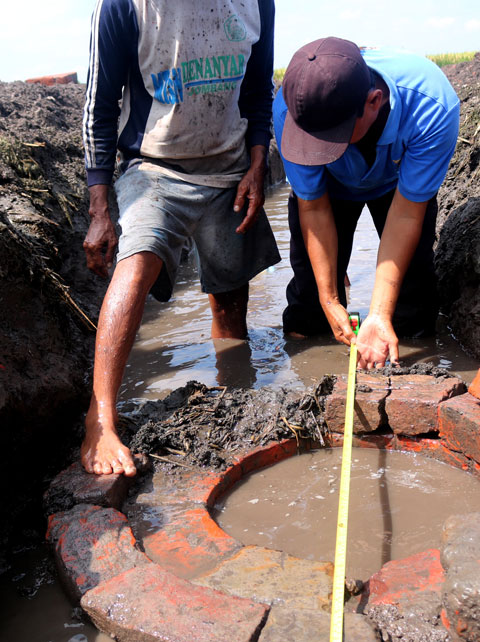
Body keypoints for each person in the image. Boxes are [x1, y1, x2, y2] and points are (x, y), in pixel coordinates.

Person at [80, 0, 279, 476]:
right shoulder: (124, 7)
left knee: (229, 302)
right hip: (154, 167)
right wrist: (99, 209)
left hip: (231, 166)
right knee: (137, 262)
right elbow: (100, 105)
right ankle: (99, 420)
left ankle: (235, 396)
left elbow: (258, 91)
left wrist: (257, 163)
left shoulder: (255, 3)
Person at [274, 37, 460, 369]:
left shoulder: (431, 105)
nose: (322, 144)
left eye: (332, 137)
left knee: (412, 302)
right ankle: (308, 366)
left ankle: (411, 361)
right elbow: (313, 207)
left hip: (397, 183)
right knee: (311, 305)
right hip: (328, 185)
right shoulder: (291, 110)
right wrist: (329, 300)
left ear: (374, 102)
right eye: (313, 140)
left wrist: (379, 313)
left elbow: (407, 214)